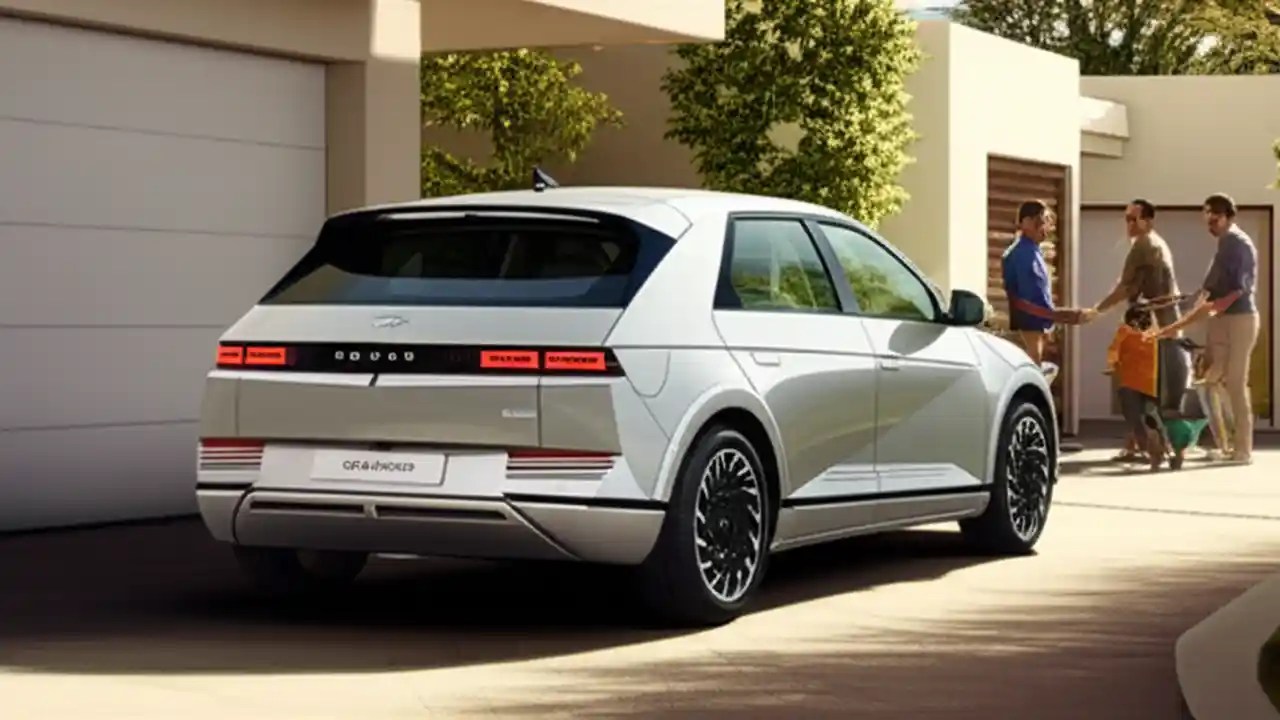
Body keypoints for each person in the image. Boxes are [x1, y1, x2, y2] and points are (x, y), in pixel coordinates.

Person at [1150, 193, 1259, 465]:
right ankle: (1225, 444)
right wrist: (1188, 309)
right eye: (1207, 215)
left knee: (1234, 382)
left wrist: (1204, 310)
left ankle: (1243, 450)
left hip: (1240, 319)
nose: (1210, 220)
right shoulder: (1224, 244)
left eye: (1216, 216)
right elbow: (1207, 291)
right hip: (1221, 319)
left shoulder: (1238, 243)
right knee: (1210, 380)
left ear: (1229, 217)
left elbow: (1239, 289)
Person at [1087, 200, 1183, 462]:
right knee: (1144, 386)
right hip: (1159, 325)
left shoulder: (1144, 245)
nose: (1128, 224)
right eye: (1126, 219)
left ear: (1148, 221)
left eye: (1134, 219)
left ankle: (1148, 443)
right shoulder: (1155, 243)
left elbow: (1125, 288)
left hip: (1151, 327)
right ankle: (1139, 443)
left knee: (1132, 386)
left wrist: (1095, 311)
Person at [1002, 199, 1096, 364]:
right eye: (1042, 221)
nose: (1046, 227)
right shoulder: (1022, 255)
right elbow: (1027, 301)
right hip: (1027, 330)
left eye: (1047, 222)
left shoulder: (1033, 251)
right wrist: (1062, 315)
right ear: (1027, 222)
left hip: (1037, 329)